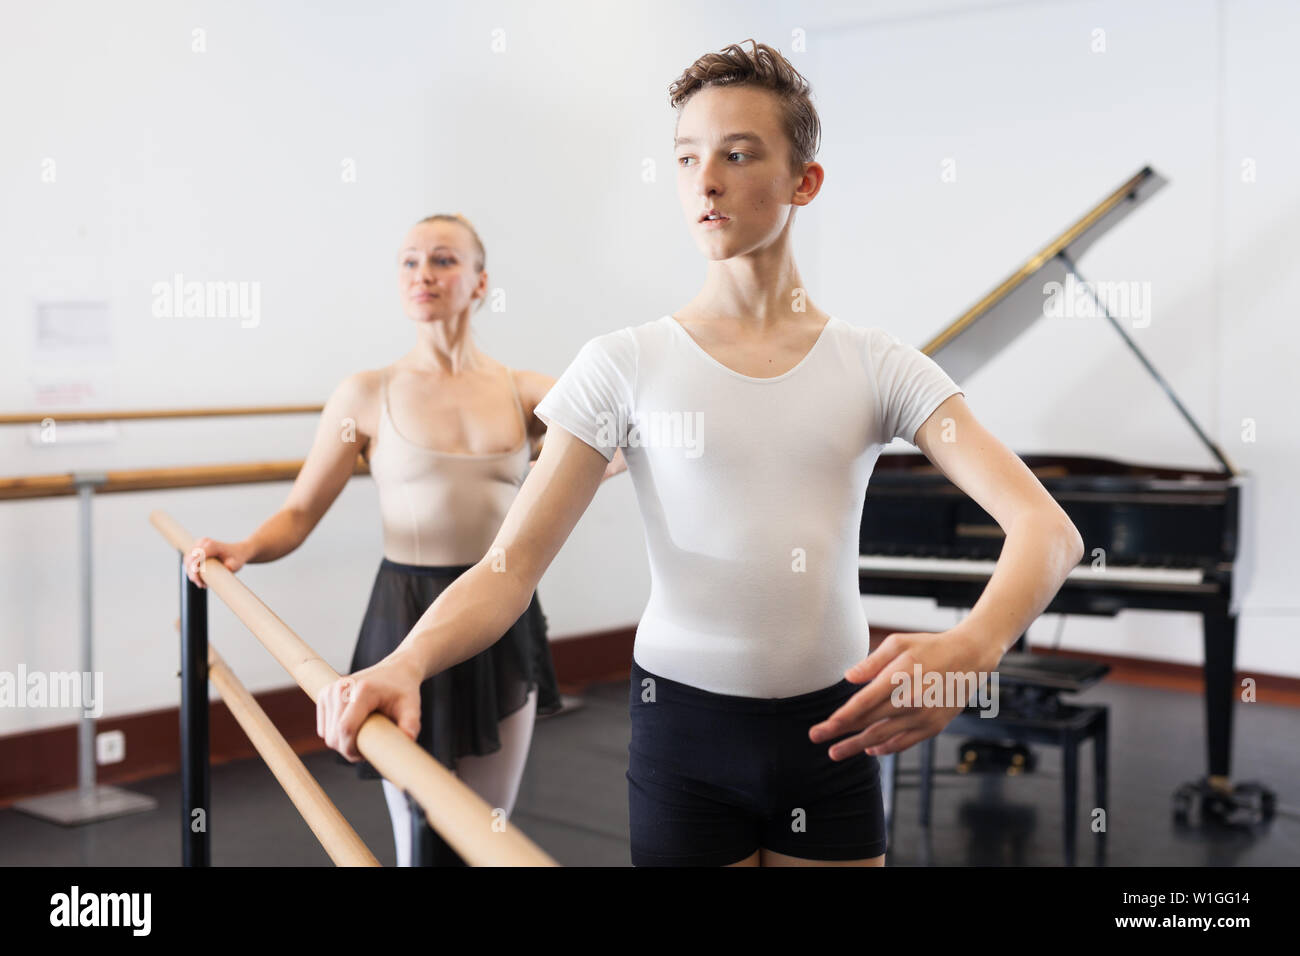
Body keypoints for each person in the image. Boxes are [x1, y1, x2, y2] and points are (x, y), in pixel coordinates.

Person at [316, 41, 1084, 867]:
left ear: (804, 182)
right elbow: (509, 570)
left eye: (738, 154)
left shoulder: (876, 362)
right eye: (687, 159)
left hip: (835, 735)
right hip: (684, 736)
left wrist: (973, 647)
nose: (705, 181)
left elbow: (1048, 531)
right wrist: (404, 662)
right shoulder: (623, 363)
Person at [187, 212, 626, 866]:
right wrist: (244, 548)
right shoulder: (365, 395)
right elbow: (302, 510)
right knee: (417, 831)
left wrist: (551, 474)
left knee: (484, 828)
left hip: (498, 614)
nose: (424, 273)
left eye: (444, 260)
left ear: (480, 283)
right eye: (410, 261)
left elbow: (619, 440)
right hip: (403, 614)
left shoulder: (527, 391)